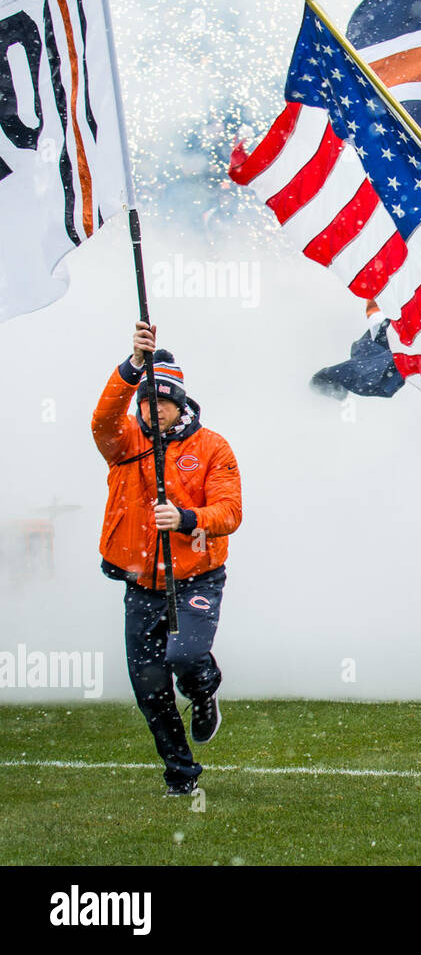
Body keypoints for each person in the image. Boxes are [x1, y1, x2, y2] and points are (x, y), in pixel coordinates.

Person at [92, 322, 242, 797]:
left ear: (181, 403)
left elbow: (230, 512)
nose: (152, 410)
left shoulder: (212, 446)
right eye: (145, 401)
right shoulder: (124, 443)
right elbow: (102, 421)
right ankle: (181, 774)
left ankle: (203, 688)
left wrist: (184, 518)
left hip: (196, 577)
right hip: (141, 584)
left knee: (186, 655)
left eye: (162, 401)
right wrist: (132, 367)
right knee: (149, 688)